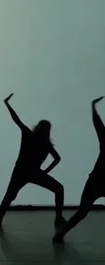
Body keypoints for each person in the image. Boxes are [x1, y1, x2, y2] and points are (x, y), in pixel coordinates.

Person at [0, 93, 66, 228]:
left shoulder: (34, 138)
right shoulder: (38, 140)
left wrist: (7, 104)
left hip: (25, 171)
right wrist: (46, 171)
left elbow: (17, 121)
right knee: (11, 195)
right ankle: (58, 218)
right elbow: (57, 159)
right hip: (27, 171)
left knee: (10, 195)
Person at [53, 96, 104, 243]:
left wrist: (93, 106)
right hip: (95, 182)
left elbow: (98, 124)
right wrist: (93, 107)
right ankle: (61, 234)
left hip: (95, 181)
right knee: (81, 212)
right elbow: (98, 124)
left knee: (81, 212)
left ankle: (61, 234)